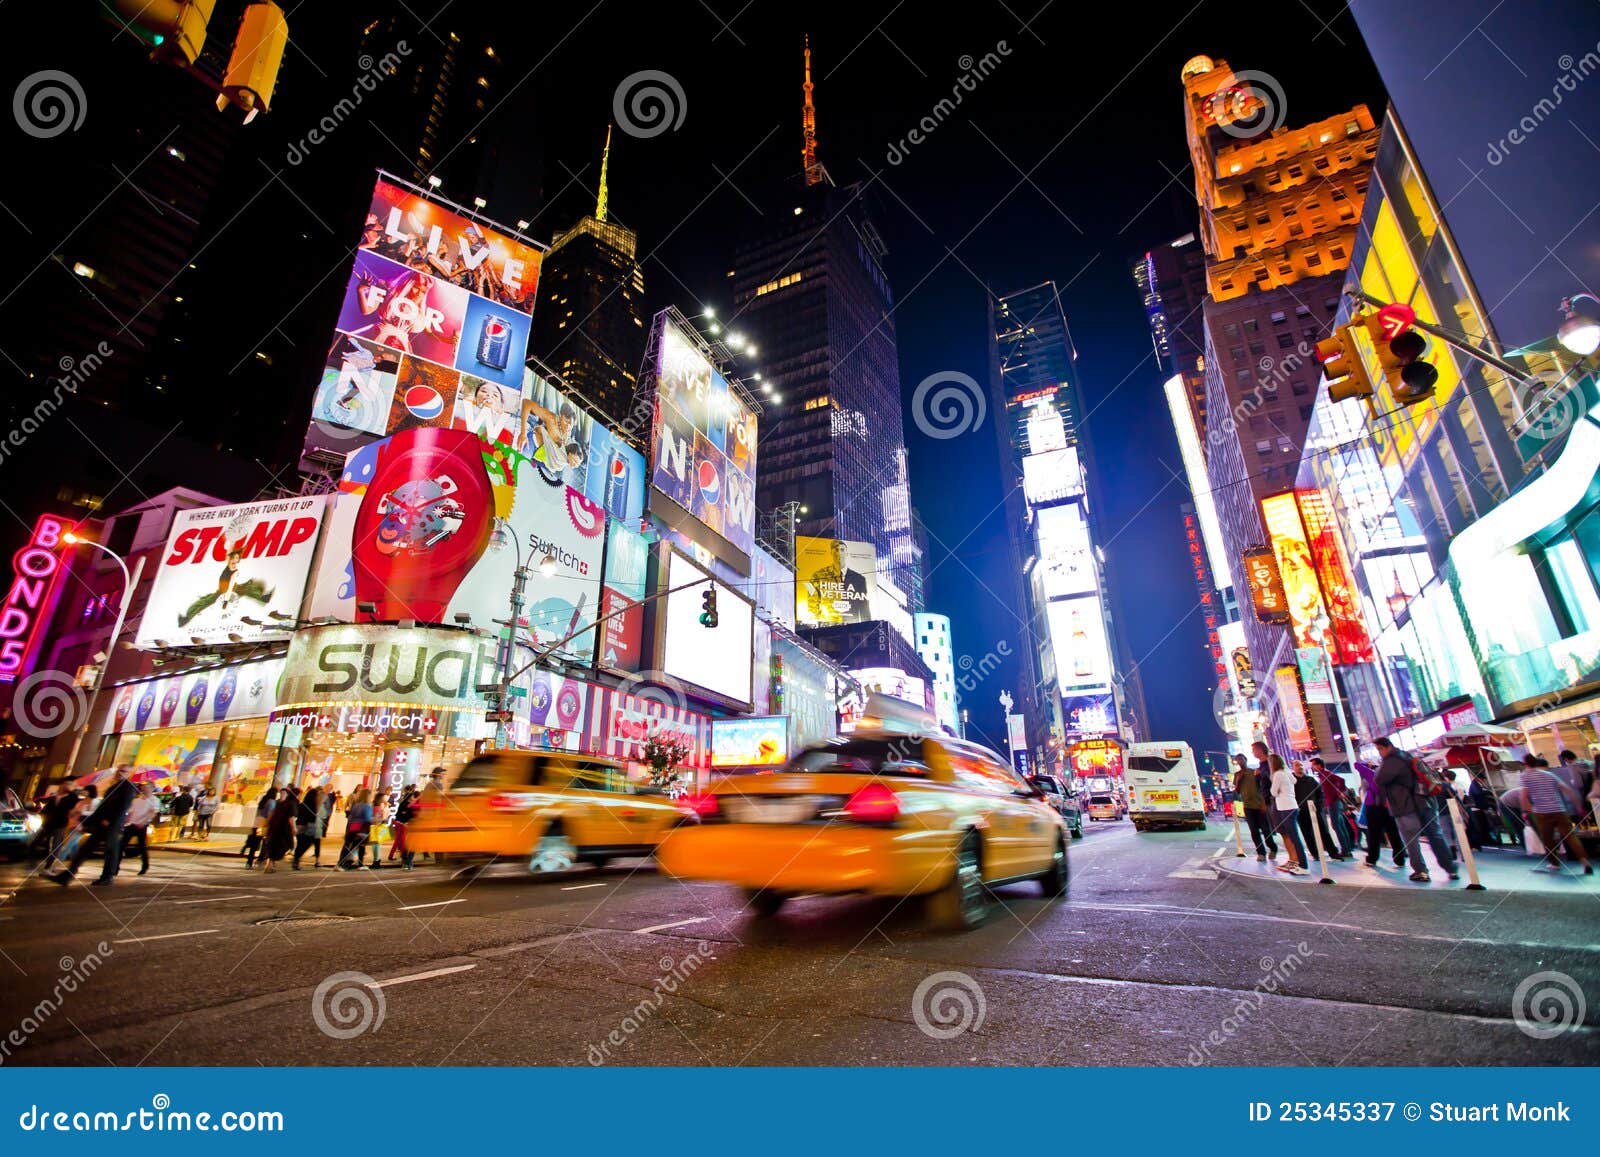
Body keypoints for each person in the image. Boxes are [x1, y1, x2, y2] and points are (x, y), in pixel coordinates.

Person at [1373, 736, 1457, 883]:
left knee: (1411, 839)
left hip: (1406, 806)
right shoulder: (1408, 756)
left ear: (1386, 747)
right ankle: (1450, 868)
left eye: (1380, 749)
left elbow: (1379, 779)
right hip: (1426, 802)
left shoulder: (1391, 761)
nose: (1380, 752)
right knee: (1435, 835)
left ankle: (1421, 871)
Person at [49, 767, 136, 886]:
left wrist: (110, 821)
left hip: (112, 826)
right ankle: (67, 875)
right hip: (102, 824)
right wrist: (88, 821)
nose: (120, 773)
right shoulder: (113, 787)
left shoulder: (128, 788)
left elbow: (123, 808)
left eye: (123, 771)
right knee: (86, 849)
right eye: (119, 771)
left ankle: (107, 877)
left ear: (128, 774)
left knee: (111, 850)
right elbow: (102, 808)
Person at [1520, 754, 1592, 874]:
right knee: (1571, 837)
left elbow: (1523, 796)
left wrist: (1525, 811)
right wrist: (1579, 807)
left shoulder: (1525, 776)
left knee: (1548, 839)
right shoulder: (1549, 775)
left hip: (1542, 812)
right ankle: (1585, 861)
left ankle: (1554, 864)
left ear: (1526, 764)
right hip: (1560, 810)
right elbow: (1568, 790)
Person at [1231, 753, 1277, 862]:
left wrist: (1263, 803)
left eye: (1241, 759)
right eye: (1237, 760)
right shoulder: (1237, 774)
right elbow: (1237, 791)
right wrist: (1238, 780)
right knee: (1254, 831)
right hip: (1247, 805)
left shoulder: (1255, 772)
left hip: (1259, 804)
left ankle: (1273, 848)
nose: (1240, 762)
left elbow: (1262, 787)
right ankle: (1261, 853)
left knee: (1266, 829)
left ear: (1245, 759)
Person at [1268, 754, 1308, 874]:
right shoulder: (1287, 772)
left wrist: (1277, 788)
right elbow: (1294, 781)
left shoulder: (1278, 774)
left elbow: (1273, 792)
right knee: (1294, 836)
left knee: (1294, 837)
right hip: (1292, 806)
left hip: (1285, 808)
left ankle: (1303, 866)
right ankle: (1298, 863)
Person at [1306, 758, 1350, 860]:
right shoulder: (1323, 775)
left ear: (1319, 765)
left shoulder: (1325, 774)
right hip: (1333, 802)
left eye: (1314, 765)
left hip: (1333, 803)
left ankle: (1345, 850)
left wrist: (1341, 791)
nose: (1313, 767)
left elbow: (1341, 780)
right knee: (1340, 826)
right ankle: (1347, 848)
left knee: (1337, 826)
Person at [119, 783, 160, 876]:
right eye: (143, 787)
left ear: (152, 788)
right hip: (132, 824)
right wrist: (125, 822)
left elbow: (153, 812)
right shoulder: (136, 800)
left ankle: (145, 866)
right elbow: (130, 812)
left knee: (142, 846)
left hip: (142, 825)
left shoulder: (154, 800)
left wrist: (144, 821)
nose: (144, 788)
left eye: (147, 787)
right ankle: (115, 867)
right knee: (121, 845)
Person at [261, 785, 299, 872]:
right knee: (283, 846)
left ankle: (270, 865)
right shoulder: (284, 803)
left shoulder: (284, 803)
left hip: (279, 828)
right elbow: (291, 818)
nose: (282, 795)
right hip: (280, 829)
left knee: (277, 847)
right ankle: (270, 865)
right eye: (281, 793)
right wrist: (294, 828)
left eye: (284, 793)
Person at [243, 788, 278, 869]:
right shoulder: (271, 801)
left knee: (254, 843)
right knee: (266, 843)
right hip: (264, 824)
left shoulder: (263, 800)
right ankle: (262, 859)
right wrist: (269, 824)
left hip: (256, 822)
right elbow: (270, 814)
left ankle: (249, 862)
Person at [340, 788, 373, 870]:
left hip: (353, 827)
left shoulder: (356, 805)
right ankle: (345, 864)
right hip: (362, 828)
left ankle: (360, 864)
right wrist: (376, 819)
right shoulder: (367, 806)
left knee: (355, 845)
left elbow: (351, 817)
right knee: (356, 846)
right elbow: (367, 819)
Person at [293, 787, 324, 870]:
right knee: (307, 844)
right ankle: (297, 859)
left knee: (300, 845)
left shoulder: (302, 805)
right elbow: (313, 818)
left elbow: (297, 815)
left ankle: (296, 860)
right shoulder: (313, 807)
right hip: (308, 827)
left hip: (299, 826)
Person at [391, 786, 419, 869]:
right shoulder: (411, 805)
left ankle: (405, 862)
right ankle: (408, 863)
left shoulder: (402, 804)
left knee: (405, 844)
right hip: (410, 827)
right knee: (412, 845)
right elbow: (413, 816)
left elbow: (398, 815)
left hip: (402, 825)